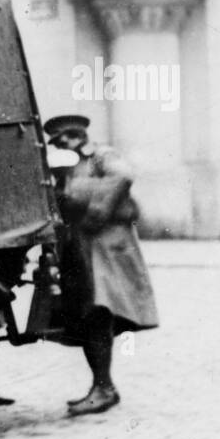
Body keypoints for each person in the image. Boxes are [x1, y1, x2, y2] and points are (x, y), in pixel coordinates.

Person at [44, 114, 159, 415]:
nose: (61, 144)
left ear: (78, 136)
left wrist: (80, 198)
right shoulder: (62, 165)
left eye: (65, 138)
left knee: (98, 312)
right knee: (85, 315)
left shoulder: (102, 156)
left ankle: (104, 387)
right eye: (56, 142)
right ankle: (102, 386)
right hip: (80, 245)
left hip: (106, 243)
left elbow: (122, 177)